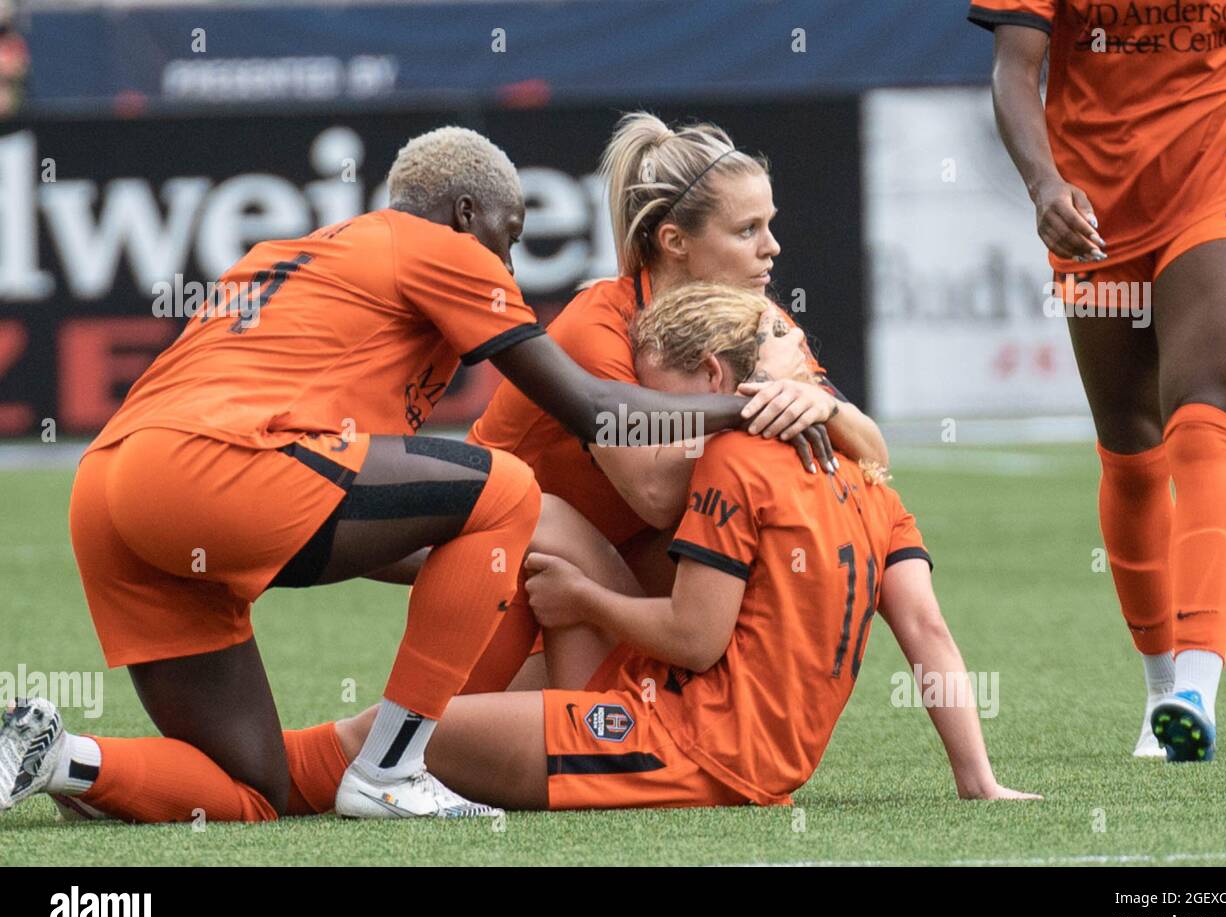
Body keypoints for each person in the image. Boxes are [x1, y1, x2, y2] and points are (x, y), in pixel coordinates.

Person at [0, 128, 836, 825]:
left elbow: (363, 529)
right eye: (508, 238)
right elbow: (590, 408)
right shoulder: (436, 245)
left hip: (112, 490)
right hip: (216, 466)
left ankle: (59, 757)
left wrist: (491, 563)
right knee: (505, 488)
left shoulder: (293, 257)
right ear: (466, 214)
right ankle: (392, 770)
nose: (508, 267)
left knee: (260, 790)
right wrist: (755, 406)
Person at [315, 283, 1040, 812]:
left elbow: (695, 638)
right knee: (544, 533)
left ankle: (245, 774)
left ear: (716, 380)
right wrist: (976, 778)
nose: (664, 422)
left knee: (378, 743)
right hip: (699, 721)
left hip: (694, 749)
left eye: (666, 398)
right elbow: (926, 628)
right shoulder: (870, 478)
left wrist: (581, 598)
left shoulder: (735, 460)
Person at [457, 110, 890, 693]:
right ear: (675, 242)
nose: (773, 247)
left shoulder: (759, 319)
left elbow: (874, 459)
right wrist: (759, 404)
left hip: (614, 550)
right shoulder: (598, 325)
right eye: (748, 230)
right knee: (462, 747)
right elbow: (656, 494)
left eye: (770, 224)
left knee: (768, 501)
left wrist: (828, 410)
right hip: (500, 553)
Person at [970, 0, 1226, 760]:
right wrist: (1042, 185)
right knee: (1129, 447)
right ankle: (1158, 690)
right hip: (1096, 204)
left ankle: (1195, 686)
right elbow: (1014, 68)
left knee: (1206, 418)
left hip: (1224, 176)